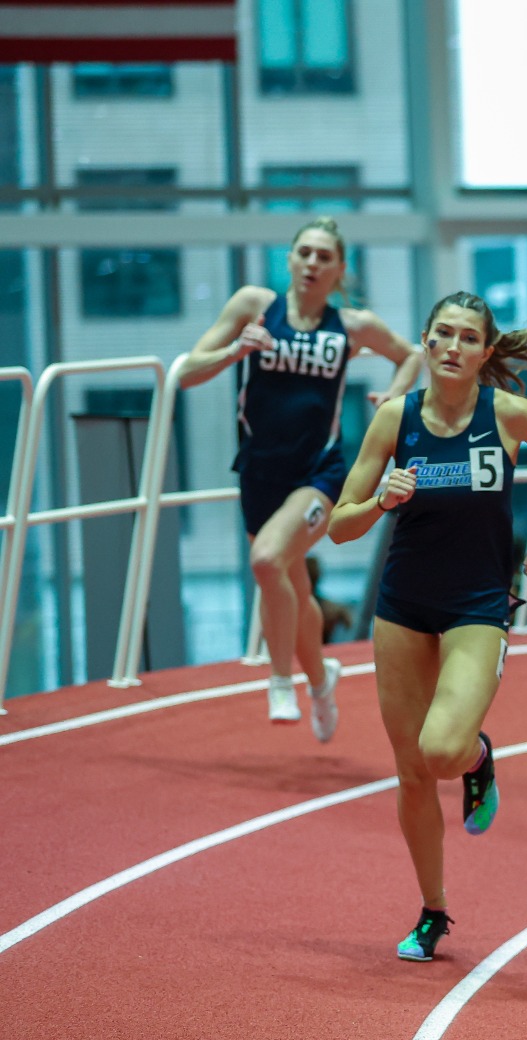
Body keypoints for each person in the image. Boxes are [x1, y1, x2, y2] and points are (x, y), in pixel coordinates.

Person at [329, 292, 527, 962]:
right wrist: (377, 501)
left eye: (466, 337)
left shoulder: (504, 414)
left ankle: (478, 757)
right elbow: (339, 525)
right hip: (403, 609)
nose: (452, 346)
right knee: (411, 770)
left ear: (485, 352)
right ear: (425, 341)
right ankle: (433, 910)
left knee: (442, 749)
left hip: (477, 606)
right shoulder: (396, 419)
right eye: (442, 333)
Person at [179, 217, 421, 737]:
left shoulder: (351, 326)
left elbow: (411, 353)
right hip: (259, 471)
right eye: (304, 253)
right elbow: (186, 372)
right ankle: (321, 680)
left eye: (324, 257)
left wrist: (395, 397)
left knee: (267, 562)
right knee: (288, 581)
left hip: (319, 473)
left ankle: (280, 679)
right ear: (289, 259)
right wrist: (234, 351)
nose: (312, 263)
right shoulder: (253, 305)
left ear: (339, 270)